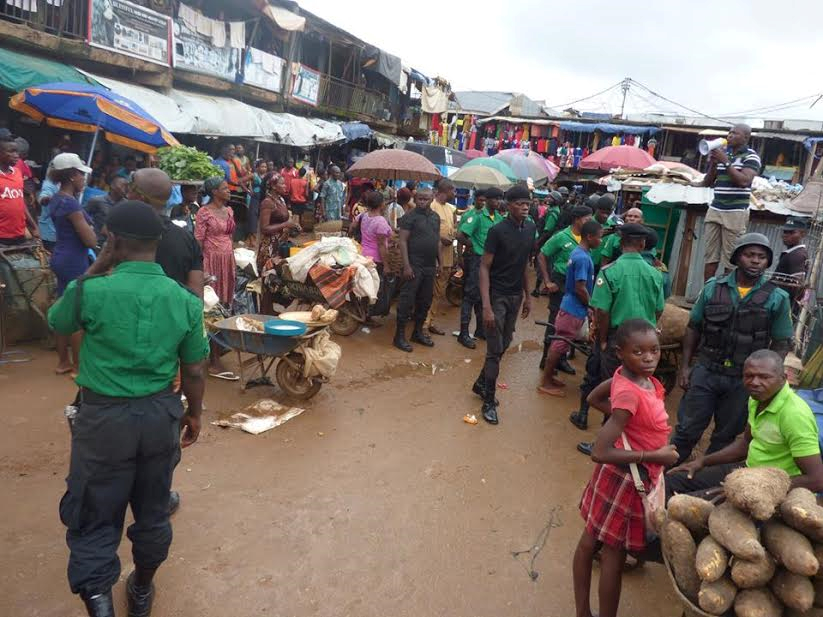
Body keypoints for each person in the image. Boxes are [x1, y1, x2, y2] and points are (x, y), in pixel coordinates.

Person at [48, 200, 208, 617]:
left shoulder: (87, 290)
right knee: (154, 508)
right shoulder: (184, 300)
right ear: (158, 242)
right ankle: (141, 588)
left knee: (95, 516)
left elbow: (59, 323)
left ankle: (102, 608)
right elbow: (194, 367)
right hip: (160, 417)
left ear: (112, 240)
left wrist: (96, 267)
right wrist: (195, 414)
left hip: (103, 421)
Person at [573, 320, 678, 617]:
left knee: (590, 541)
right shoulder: (630, 392)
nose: (648, 358)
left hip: (623, 476)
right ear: (620, 353)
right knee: (611, 556)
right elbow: (599, 451)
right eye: (638, 352)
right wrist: (653, 454)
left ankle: (582, 612)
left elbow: (594, 398)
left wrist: (630, 421)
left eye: (654, 350)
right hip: (624, 479)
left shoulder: (636, 380)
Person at [670, 233, 793, 464]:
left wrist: (768, 382)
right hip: (706, 371)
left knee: (725, 438)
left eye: (762, 257)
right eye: (749, 255)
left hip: (742, 381)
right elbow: (693, 328)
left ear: (768, 261)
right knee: (686, 431)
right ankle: (665, 478)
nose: (756, 261)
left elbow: (781, 343)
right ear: (737, 258)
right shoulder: (712, 288)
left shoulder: (778, 298)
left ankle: (702, 486)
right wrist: (685, 368)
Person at [667, 350, 823, 499]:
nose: (754, 382)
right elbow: (746, 444)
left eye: (764, 377)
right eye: (749, 376)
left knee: (687, 502)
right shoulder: (757, 399)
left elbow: (817, 480)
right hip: (748, 471)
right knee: (672, 482)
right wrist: (702, 461)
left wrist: (753, 489)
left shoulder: (794, 415)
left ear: (783, 378)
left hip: (770, 487)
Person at [574, 224, 666, 455]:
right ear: (643, 244)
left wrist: (603, 340)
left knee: (614, 389)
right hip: (644, 341)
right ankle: (625, 438)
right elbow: (658, 309)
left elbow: (602, 311)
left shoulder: (609, 271)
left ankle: (607, 442)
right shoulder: (655, 273)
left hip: (618, 339)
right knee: (635, 390)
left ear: (620, 242)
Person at [473, 185, 536, 425]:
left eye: (527, 203)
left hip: (515, 296)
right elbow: (484, 267)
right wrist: (487, 307)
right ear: (508, 206)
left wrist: (528, 296)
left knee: (505, 343)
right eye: (519, 203)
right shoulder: (497, 231)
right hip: (496, 295)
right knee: (494, 349)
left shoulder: (530, 228)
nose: (524, 207)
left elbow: (524, 265)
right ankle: (489, 400)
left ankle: (480, 383)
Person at [538, 220, 602, 396]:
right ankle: (545, 383)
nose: (601, 241)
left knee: (560, 344)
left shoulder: (579, 252)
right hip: (573, 308)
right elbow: (580, 287)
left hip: (571, 305)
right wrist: (591, 306)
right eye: (600, 237)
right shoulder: (582, 257)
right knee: (559, 345)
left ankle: (549, 378)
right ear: (589, 237)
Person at [49, 153, 98, 375]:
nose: (83, 179)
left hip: (60, 255)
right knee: (77, 313)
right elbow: (91, 240)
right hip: (74, 260)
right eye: (80, 174)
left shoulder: (57, 199)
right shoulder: (71, 205)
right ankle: (78, 365)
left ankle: (63, 362)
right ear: (71, 175)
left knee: (62, 308)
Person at [537, 205, 593, 373]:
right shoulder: (561, 236)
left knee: (570, 325)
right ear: (577, 219)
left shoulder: (587, 239)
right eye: (587, 219)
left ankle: (560, 360)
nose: (590, 222)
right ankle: (546, 359)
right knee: (555, 321)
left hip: (578, 284)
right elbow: (542, 255)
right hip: (560, 282)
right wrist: (547, 281)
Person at [702, 124, 761, 281]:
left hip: (735, 212)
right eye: (729, 132)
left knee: (732, 257)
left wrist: (726, 162)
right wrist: (714, 164)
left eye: (735, 133)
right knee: (710, 256)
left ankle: (726, 295)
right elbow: (707, 182)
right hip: (715, 209)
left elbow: (744, 181)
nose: (730, 135)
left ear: (746, 138)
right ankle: (707, 291)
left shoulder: (751, 156)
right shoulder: (724, 154)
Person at [456, 186, 502, 349]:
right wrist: (474, 245)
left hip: (491, 263)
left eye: (499, 199)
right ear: (486, 200)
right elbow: (460, 235)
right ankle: (463, 333)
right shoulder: (476, 216)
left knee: (483, 295)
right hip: (476, 260)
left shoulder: (498, 218)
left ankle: (480, 330)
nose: (497, 202)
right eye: (494, 199)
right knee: (470, 295)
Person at [395, 187, 440, 352]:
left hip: (429, 265)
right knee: (407, 301)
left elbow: (436, 241)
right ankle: (399, 336)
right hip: (414, 264)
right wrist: (406, 265)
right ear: (415, 198)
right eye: (420, 198)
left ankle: (418, 332)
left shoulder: (436, 218)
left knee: (425, 300)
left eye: (426, 199)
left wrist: (439, 262)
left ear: (432, 198)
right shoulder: (409, 217)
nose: (423, 201)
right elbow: (403, 241)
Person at [257, 173, 300, 314]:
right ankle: (265, 312)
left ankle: (269, 311)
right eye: (282, 183)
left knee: (276, 280)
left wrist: (292, 227)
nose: (285, 186)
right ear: (273, 186)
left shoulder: (280, 199)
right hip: (269, 247)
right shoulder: (267, 202)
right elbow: (264, 228)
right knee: (269, 279)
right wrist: (286, 224)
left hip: (279, 245)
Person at [195, 177, 236, 308]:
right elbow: (198, 239)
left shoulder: (229, 211)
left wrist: (232, 254)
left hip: (227, 258)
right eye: (225, 188)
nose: (229, 191)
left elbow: (230, 235)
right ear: (214, 192)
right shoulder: (204, 212)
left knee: (226, 296)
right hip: (211, 258)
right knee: (211, 297)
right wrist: (199, 264)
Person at [425, 179, 458, 336]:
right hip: (432, 257)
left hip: (447, 257)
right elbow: (426, 230)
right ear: (446, 190)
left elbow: (452, 230)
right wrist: (440, 238)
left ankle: (431, 321)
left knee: (439, 291)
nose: (455, 194)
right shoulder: (431, 206)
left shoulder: (451, 209)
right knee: (428, 291)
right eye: (454, 191)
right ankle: (423, 323)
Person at [0, 133, 39, 244]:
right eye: (11, 151)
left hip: (19, 234)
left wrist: (34, 226)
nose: (16, 155)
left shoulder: (17, 173)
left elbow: (20, 202)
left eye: (17, 151)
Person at [773, 216, 809, 317]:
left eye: (792, 232)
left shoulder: (796, 255)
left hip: (784, 307)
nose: (786, 235)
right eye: (785, 232)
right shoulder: (792, 253)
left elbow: (798, 286)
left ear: (803, 234)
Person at [84, 176, 127, 245]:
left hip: (115, 245)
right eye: (122, 186)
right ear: (112, 186)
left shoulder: (127, 205)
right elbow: (84, 215)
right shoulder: (97, 200)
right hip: (97, 241)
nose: (125, 189)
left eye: (126, 187)